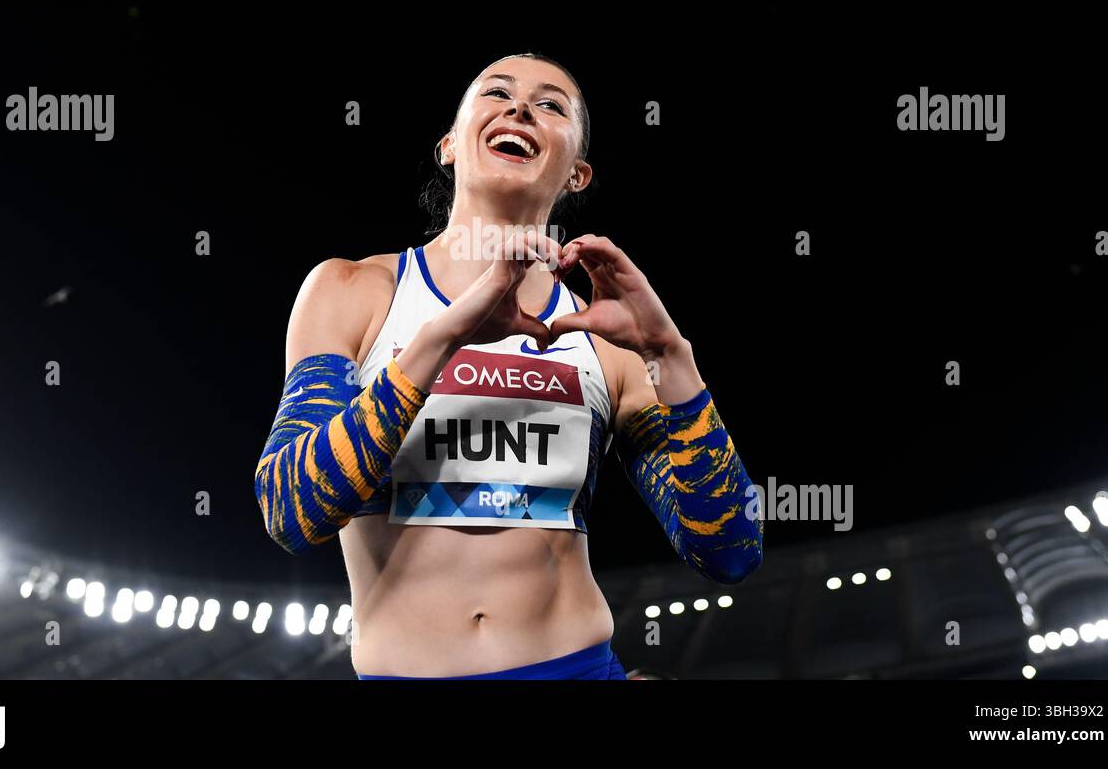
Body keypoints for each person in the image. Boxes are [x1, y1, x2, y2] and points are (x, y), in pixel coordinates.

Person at [255, 53, 762, 679]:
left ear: (577, 175)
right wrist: (442, 337)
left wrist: (669, 355)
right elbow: (292, 510)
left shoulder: (607, 343)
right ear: (449, 146)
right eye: (496, 92)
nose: (520, 107)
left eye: (551, 105)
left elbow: (729, 550)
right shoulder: (352, 291)